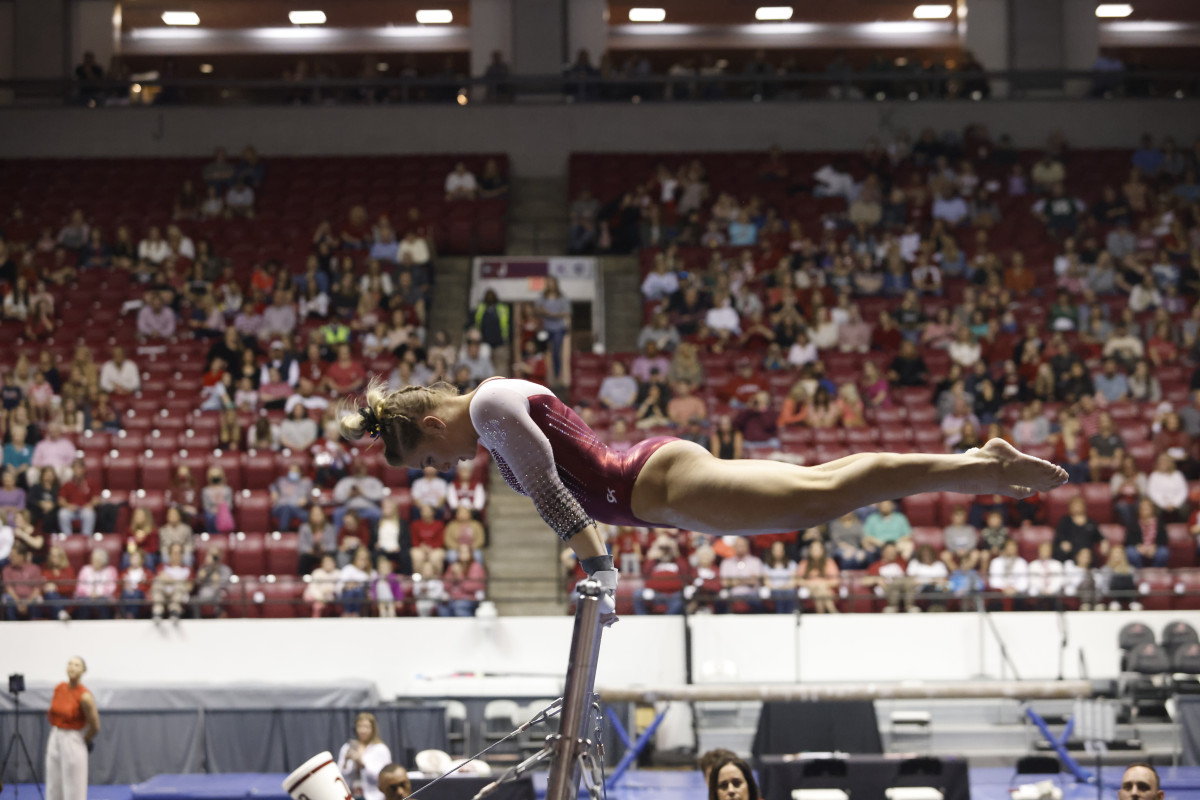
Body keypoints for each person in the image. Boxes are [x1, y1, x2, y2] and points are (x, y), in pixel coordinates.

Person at [338, 378, 1066, 617]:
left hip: (653, 483)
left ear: (433, 423)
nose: (446, 463)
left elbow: (555, 497)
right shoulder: (490, 417)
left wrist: (600, 571)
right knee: (818, 492)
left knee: (821, 494)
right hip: (654, 488)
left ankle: (977, 467)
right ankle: (971, 464)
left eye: (433, 454)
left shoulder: (492, 409)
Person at [45, 656, 99, 800]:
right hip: (55, 735)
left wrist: (83, 740)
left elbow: (95, 725)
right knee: (53, 784)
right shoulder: (59, 688)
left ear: (83, 671)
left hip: (72, 738)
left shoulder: (85, 696)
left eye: (77, 665)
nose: (72, 667)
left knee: (74, 787)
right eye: (70, 664)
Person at [337, 712, 392, 800]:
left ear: (373, 729)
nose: (363, 730)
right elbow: (340, 776)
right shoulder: (347, 747)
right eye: (360, 726)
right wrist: (346, 761)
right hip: (351, 795)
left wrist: (362, 762)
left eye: (366, 727)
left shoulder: (381, 749)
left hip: (374, 796)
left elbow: (385, 777)